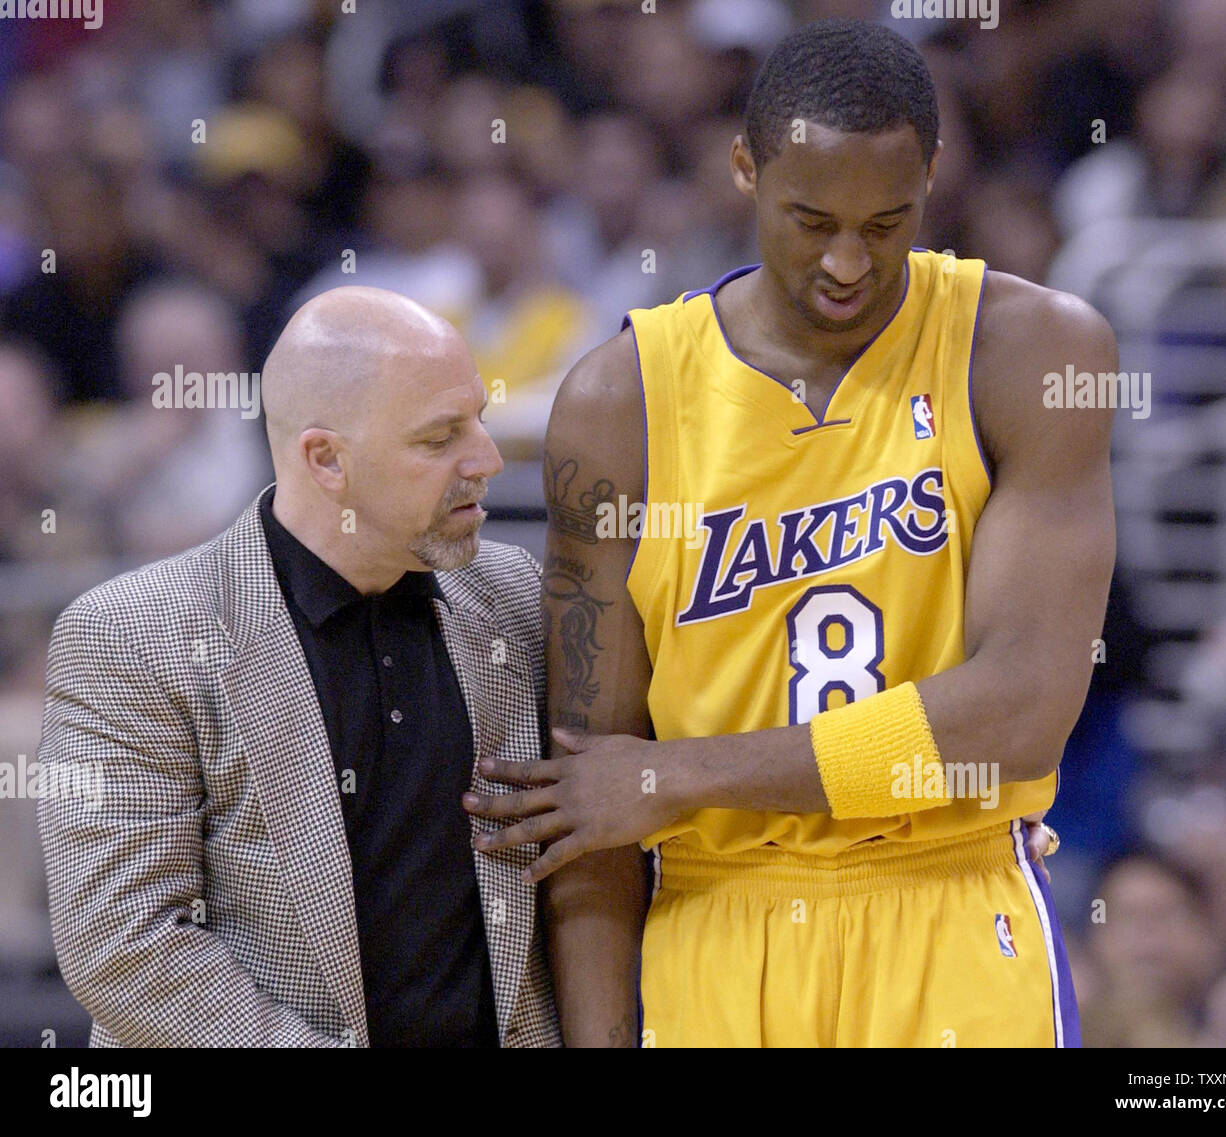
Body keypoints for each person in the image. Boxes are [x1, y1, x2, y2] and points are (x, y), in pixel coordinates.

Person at [465, 20, 1114, 1048]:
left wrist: (677, 776)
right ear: (742, 169)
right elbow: (585, 796)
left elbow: (1019, 713)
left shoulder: (1028, 352)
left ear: (934, 176)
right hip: (717, 921)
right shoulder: (620, 404)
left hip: (950, 904)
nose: (848, 262)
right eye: (811, 221)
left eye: (886, 223)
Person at [36, 285, 559, 1047]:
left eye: (478, 417)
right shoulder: (131, 636)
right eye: (440, 436)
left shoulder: (515, 595)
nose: (485, 458)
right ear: (327, 459)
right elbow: (126, 945)